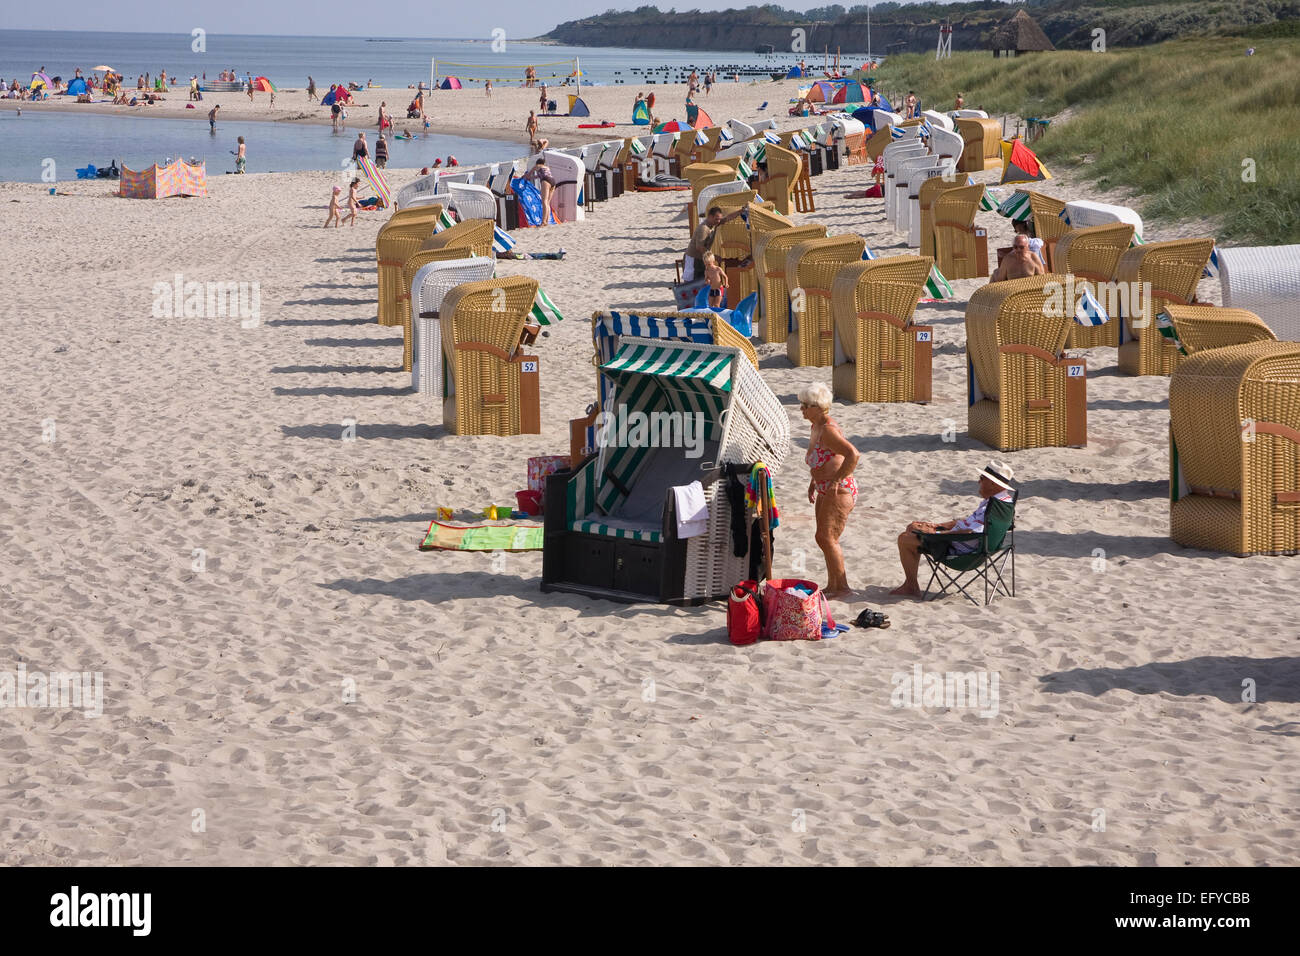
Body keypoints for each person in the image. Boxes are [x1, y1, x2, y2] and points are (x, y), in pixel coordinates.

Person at [892, 461, 1016, 597]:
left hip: (962, 552)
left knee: (904, 539)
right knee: (913, 527)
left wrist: (938, 533)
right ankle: (911, 584)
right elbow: (971, 525)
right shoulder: (1004, 503)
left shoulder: (991, 507)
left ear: (993, 484)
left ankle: (911, 586)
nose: (978, 482)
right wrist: (940, 525)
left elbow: (970, 532)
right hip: (982, 548)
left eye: (982, 478)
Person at [800, 382, 859, 599]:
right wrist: (814, 481)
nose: (801, 409)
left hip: (840, 490)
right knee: (822, 537)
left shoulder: (829, 430)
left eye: (805, 405)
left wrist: (836, 481)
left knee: (828, 537)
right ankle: (833, 585)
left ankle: (842, 587)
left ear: (817, 406)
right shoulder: (816, 426)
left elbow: (853, 454)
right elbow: (827, 459)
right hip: (825, 486)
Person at [683, 205, 744, 281]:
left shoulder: (714, 224)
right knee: (691, 283)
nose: (718, 221)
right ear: (710, 216)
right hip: (694, 259)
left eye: (719, 219)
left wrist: (741, 211)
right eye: (716, 219)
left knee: (702, 281)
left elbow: (728, 218)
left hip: (702, 258)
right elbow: (699, 247)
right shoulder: (704, 229)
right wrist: (713, 256)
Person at [529, 157, 558, 224]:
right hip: (553, 181)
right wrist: (531, 177)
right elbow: (537, 176)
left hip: (546, 181)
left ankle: (543, 221)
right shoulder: (546, 168)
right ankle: (547, 221)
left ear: (537, 163)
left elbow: (529, 174)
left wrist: (524, 177)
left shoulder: (537, 166)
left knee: (544, 201)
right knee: (547, 203)